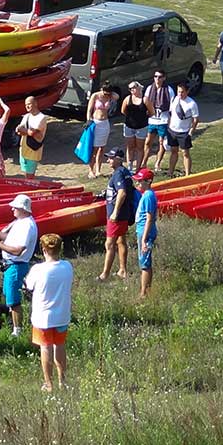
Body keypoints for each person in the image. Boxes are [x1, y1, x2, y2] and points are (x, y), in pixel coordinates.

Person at [24, 233, 74, 391]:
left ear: (44, 250)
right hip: (62, 315)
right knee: (60, 346)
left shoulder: (38, 269)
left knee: (45, 348)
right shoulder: (67, 266)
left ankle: (48, 383)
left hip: (42, 317)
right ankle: (62, 381)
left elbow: (28, 286)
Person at [0, 194, 37, 337]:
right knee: (9, 296)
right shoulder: (20, 222)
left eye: (15, 207)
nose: (12, 209)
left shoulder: (27, 226)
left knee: (13, 300)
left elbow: (18, 250)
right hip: (11, 265)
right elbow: (10, 239)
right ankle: (13, 324)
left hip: (16, 265)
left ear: (22, 209)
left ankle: (17, 330)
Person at [99, 147, 135, 282]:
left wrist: (114, 212)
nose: (108, 160)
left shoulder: (118, 174)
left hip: (117, 216)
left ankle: (105, 274)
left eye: (110, 158)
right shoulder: (125, 172)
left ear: (118, 160)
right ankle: (122, 270)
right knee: (121, 241)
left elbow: (122, 192)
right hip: (124, 214)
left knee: (109, 244)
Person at [84, 83, 119, 179]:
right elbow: (89, 109)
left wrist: (110, 94)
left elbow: (117, 96)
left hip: (105, 123)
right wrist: (88, 120)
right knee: (94, 148)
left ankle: (98, 170)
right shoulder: (95, 95)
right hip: (96, 122)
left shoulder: (110, 96)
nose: (106, 95)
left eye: (108, 94)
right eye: (105, 93)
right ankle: (91, 170)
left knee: (102, 148)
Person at [133, 168, 158, 299]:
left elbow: (149, 218)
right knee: (144, 262)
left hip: (145, 233)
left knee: (145, 264)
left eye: (140, 181)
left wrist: (143, 239)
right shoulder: (146, 194)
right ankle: (145, 291)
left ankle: (144, 294)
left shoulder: (148, 196)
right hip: (143, 231)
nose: (137, 183)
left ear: (148, 182)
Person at [167, 83, 199, 177]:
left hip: (184, 132)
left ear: (187, 92)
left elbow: (196, 119)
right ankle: (170, 172)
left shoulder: (191, 104)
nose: (180, 94)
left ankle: (187, 174)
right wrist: (169, 126)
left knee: (185, 153)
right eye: (178, 91)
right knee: (173, 151)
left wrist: (190, 132)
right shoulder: (175, 99)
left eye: (182, 92)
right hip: (172, 130)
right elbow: (171, 113)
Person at [144, 70, 172, 172]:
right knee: (148, 142)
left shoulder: (168, 90)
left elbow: (171, 106)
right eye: (155, 76)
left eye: (160, 77)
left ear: (164, 78)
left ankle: (157, 163)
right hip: (152, 120)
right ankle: (144, 162)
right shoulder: (149, 88)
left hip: (163, 120)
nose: (157, 79)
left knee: (161, 143)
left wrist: (170, 121)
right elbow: (146, 101)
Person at [15, 96, 48, 179]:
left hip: (33, 149)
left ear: (35, 104)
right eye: (26, 105)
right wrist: (27, 131)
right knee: (25, 173)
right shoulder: (26, 116)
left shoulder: (42, 117)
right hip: (24, 148)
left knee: (30, 175)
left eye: (29, 104)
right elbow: (18, 130)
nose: (27, 106)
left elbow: (32, 132)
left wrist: (25, 131)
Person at [120, 82, 151, 169]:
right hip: (129, 126)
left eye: (134, 88)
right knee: (130, 147)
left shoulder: (145, 99)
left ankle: (138, 167)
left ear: (139, 88)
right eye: (130, 89)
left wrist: (143, 117)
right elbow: (123, 111)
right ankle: (129, 166)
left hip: (141, 127)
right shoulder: (127, 99)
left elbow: (152, 112)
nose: (132, 90)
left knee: (140, 148)